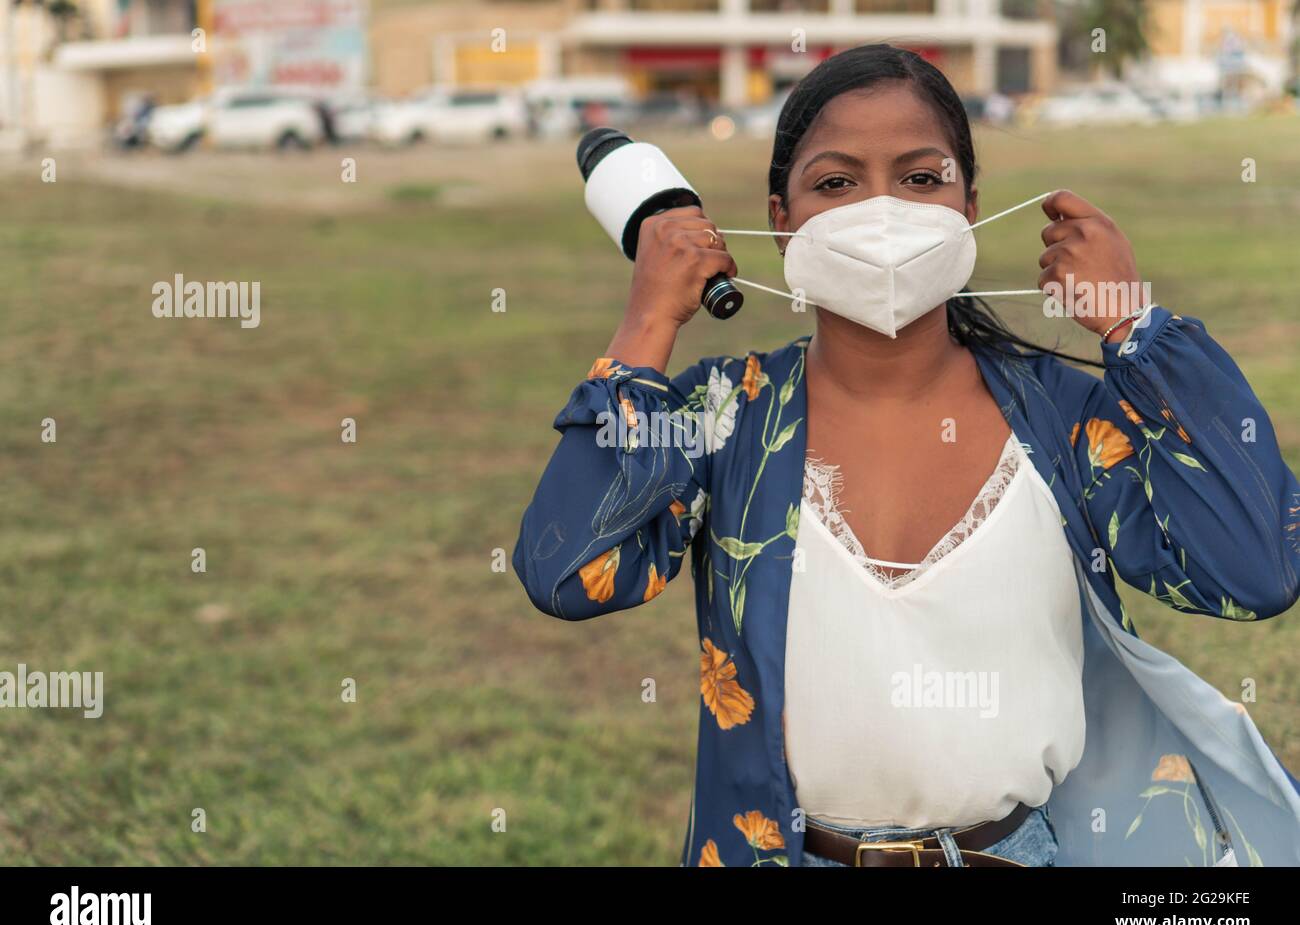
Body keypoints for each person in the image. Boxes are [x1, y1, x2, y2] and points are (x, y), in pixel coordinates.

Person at [513, 44, 1300, 867]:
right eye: (836, 183)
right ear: (780, 221)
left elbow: (1252, 568)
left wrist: (1135, 329)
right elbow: (567, 572)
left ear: (969, 207)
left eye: (922, 179)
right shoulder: (726, 416)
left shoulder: (1063, 418)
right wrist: (645, 330)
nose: (881, 212)